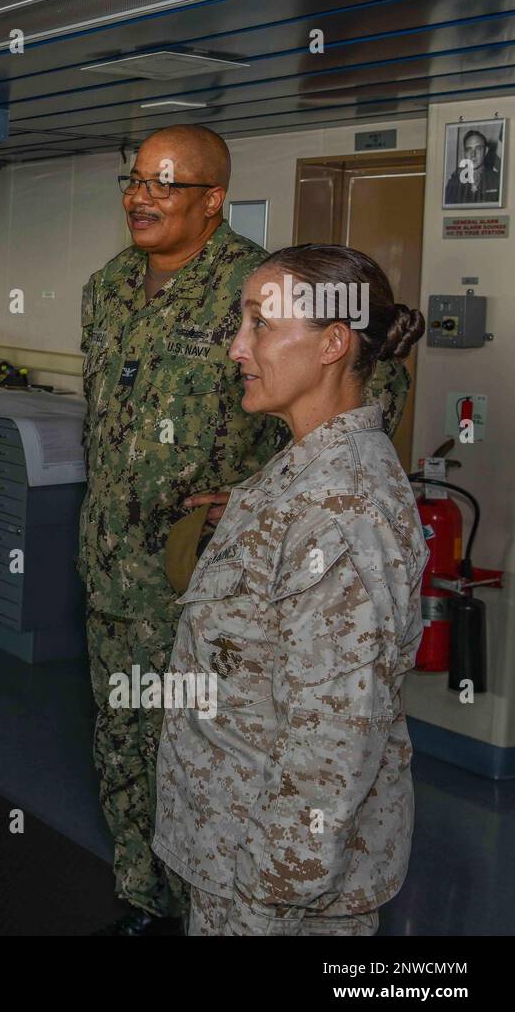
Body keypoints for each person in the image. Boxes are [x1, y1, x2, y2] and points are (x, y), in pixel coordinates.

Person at [79, 125, 410, 935]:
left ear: (213, 199)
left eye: (165, 183)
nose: (142, 196)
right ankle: (148, 896)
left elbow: (333, 735)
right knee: (134, 743)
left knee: (243, 734)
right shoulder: (109, 286)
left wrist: (263, 490)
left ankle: (217, 897)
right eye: (135, 179)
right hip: (119, 567)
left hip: (211, 569)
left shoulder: (261, 281)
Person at [153, 244, 428, 935]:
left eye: (261, 325)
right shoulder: (304, 469)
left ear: (334, 341)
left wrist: (266, 904)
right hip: (234, 841)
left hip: (275, 885)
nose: (237, 350)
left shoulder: (340, 510)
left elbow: (332, 747)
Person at [444, 130, 501, 205]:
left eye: (478, 148)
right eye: (469, 149)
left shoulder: (497, 180)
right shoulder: (454, 182)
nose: (473, 154)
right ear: (465, 153)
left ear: (486, 151)